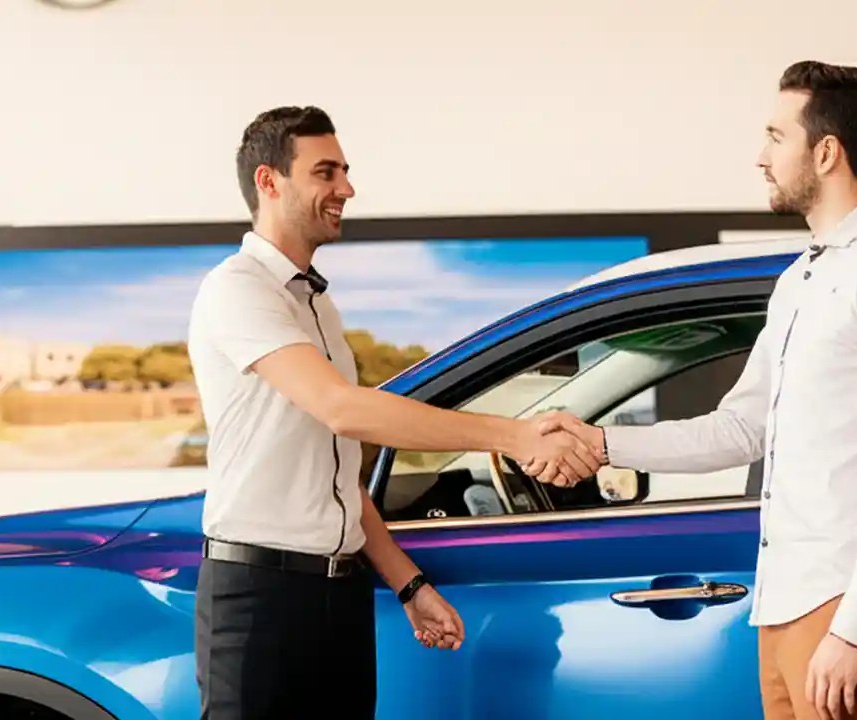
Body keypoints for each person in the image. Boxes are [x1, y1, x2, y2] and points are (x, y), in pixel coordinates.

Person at [531, 61, 857, 720]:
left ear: (825, 151)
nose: (761, 157)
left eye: (775, 136)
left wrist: (853, 627)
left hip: (853, 604)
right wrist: (602, 443)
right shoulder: (802, 280)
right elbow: (740, 429)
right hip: (788, 600)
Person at [187, 105, 603, 719]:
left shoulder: (317, 307)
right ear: (268, 182)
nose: (346, 189)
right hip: (260, 597)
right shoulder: (239, 288)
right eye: (325, 172)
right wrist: (514, 436)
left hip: (338, 596)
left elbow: (340, 480)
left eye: (345, 172)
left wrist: (409, 585)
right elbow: (343, 411)